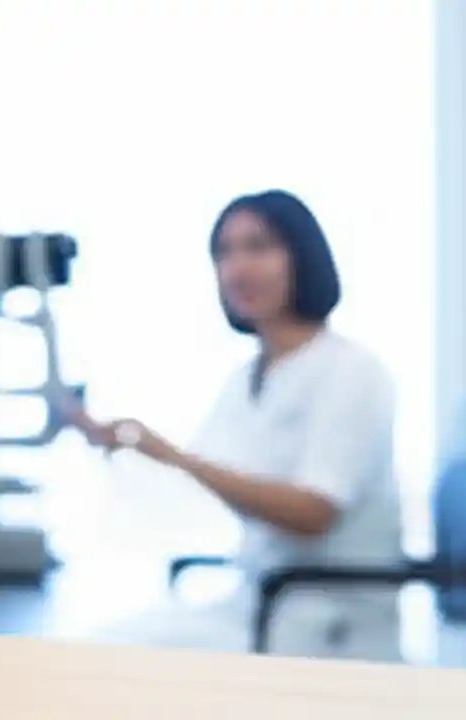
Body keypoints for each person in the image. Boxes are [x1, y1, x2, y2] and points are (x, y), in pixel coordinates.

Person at [67, 189, 402, 660]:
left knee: (114, 659)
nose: (237, 269)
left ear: (303, 257)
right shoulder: (249, 377)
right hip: (259, 603)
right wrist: (133, 444)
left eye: (258, 247)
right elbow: (204, 480)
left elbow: (312, 513)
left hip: (326, 618)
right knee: (90, 647)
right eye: (224, 253)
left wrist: (174, 456)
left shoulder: (351, 371)